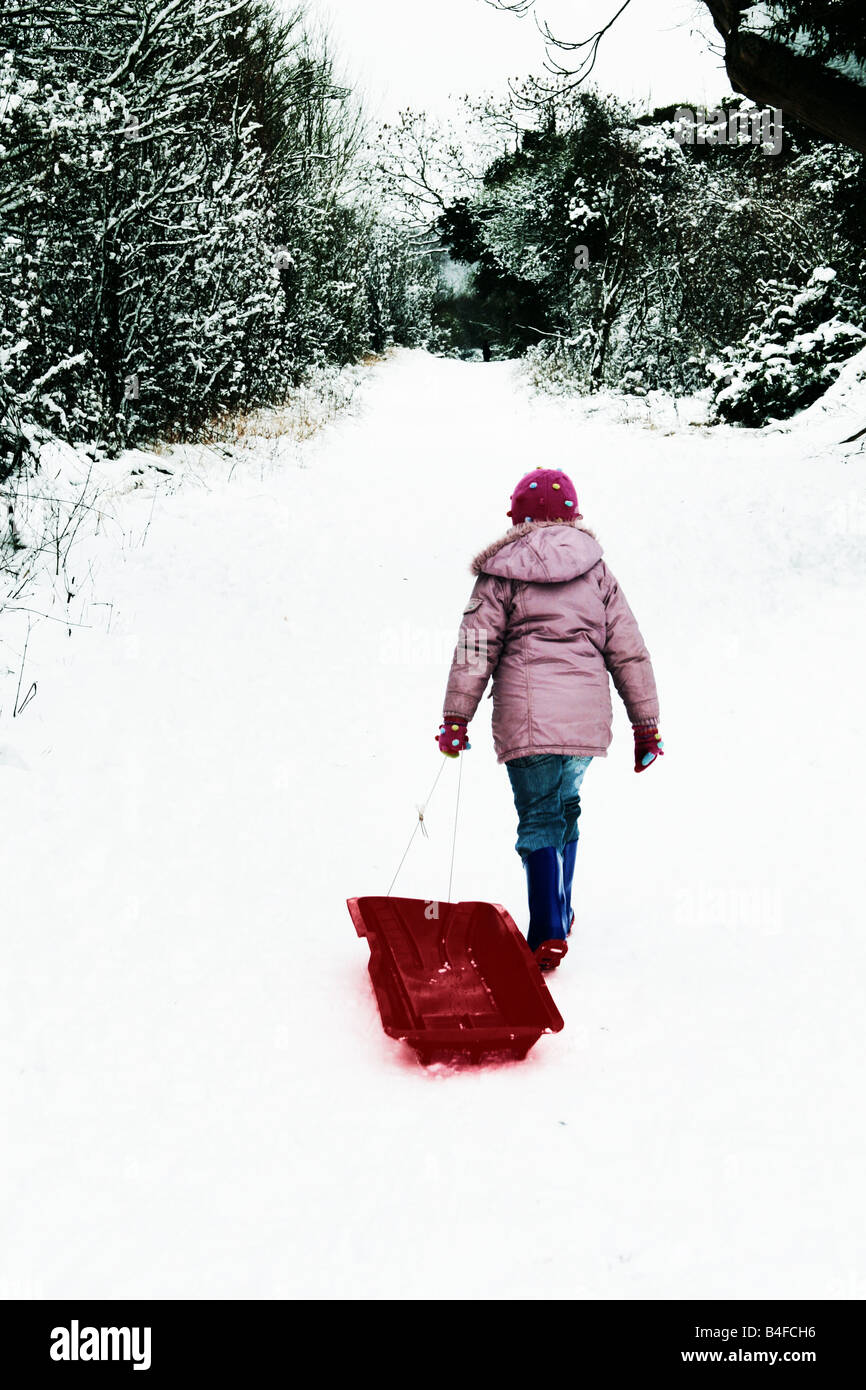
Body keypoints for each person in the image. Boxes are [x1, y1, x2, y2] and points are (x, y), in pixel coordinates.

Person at [436, 467, 662, 971]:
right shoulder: (597, 571)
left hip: (528, 719)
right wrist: (645, 725)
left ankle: (548, 930)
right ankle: (561, 910)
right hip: (585, 720)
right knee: (567, 804)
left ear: (516, 518)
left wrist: (456, 717)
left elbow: (475, 650)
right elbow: (629, 652)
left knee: (539, 814)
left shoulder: (500, 572)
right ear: (572, 515)